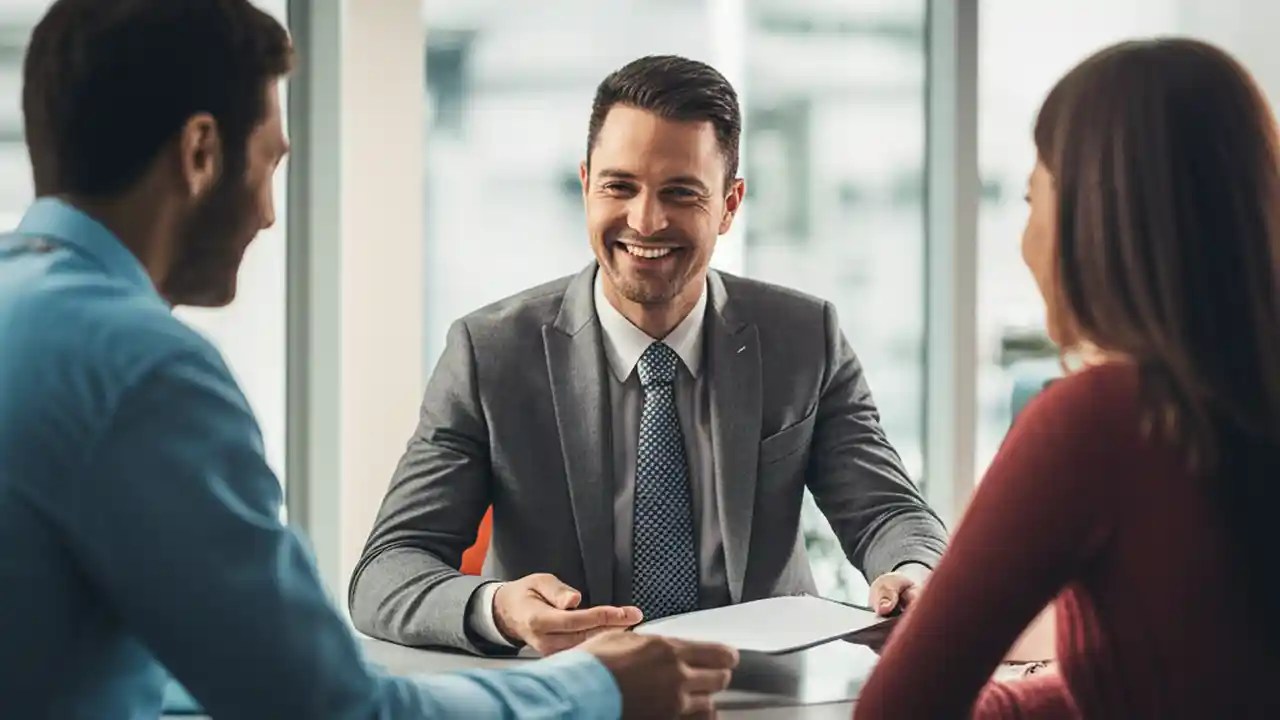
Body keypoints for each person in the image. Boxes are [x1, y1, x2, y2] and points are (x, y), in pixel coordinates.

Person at [0, 1, 738, 718]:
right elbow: (332, 706)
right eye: (270, 164)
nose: (267, 212)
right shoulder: (144, 373)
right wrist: (597, 689)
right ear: (200, 153)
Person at [349, 55, 948, 657]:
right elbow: (387, 571)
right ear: (586, 184)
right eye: (619, 186)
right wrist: (499, 607)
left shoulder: (803, 336)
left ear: (730, 204)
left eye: (680, 193)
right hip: (573, 694)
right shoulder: (490, 354)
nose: (645, 220)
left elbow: (888, 513)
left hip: (762, 697)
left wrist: (914, 573)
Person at [856, 38, 1280, 718]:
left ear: (1093, 219)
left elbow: (896, 710)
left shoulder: (1102, 419)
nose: (1024, 239)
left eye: (1032, 198)